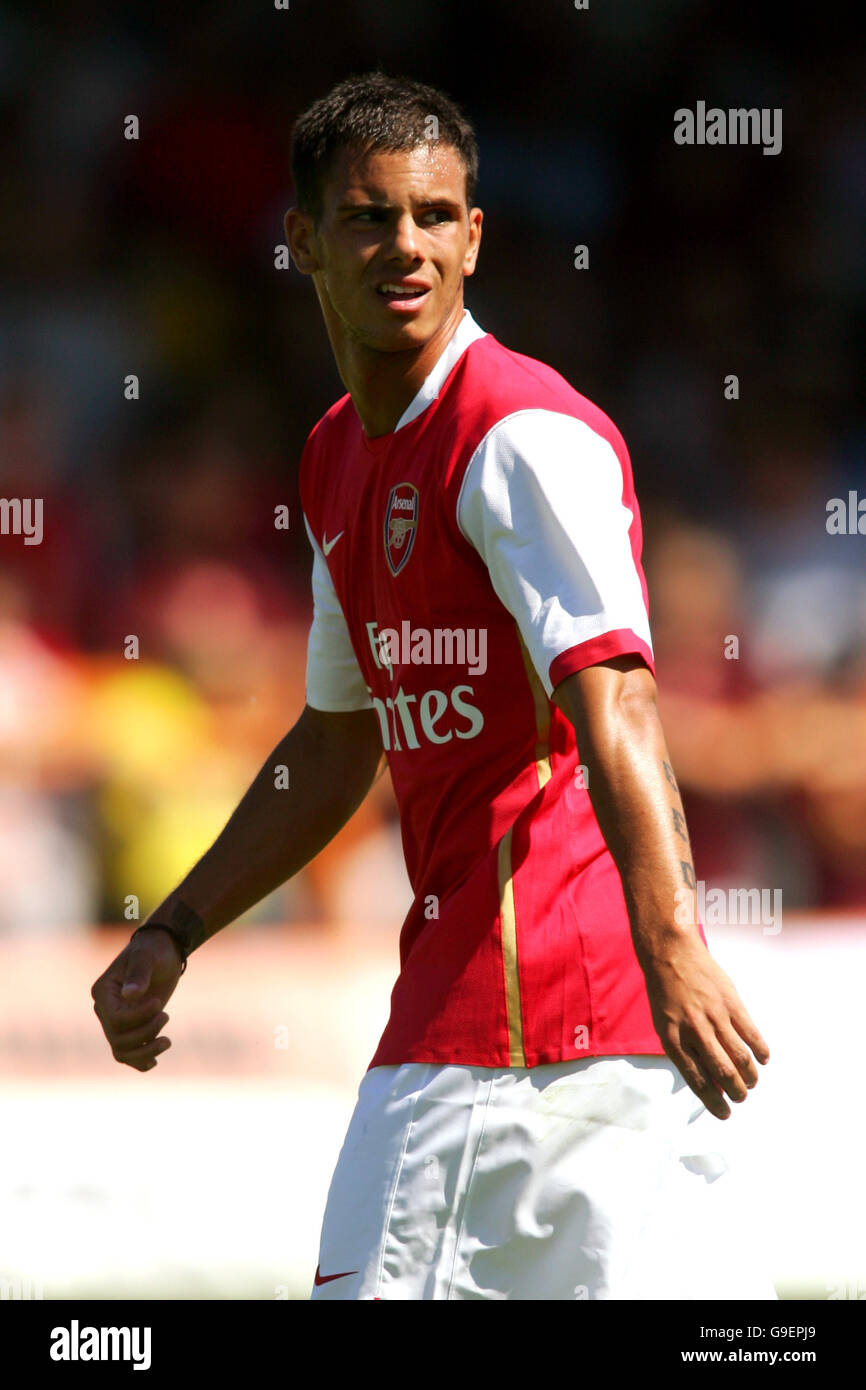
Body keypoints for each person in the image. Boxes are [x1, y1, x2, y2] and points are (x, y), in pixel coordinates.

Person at [92, 72, 775, 1301]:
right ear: (301, 240)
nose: (403, 244)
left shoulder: (518, 433)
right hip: (583, 1038)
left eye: (432, 215)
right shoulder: (333, 455)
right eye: (367, 216)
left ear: (472, 236)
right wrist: (174, 926)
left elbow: (614, 695)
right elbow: (336, 742)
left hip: (501, 1035)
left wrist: (672, 941)